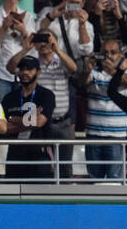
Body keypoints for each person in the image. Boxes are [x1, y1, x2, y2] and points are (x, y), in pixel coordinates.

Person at [8, 29, 78, 175]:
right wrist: (25, 49)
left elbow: (73, 68)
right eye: (40, 40)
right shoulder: (32, 64)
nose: (44, 43)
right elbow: (10, 68)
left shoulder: (62, 61)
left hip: (62, 123)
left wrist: (57, 50)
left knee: (64, 168)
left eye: (47, 39)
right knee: (39, 164)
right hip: (39, 123)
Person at [1, 55, 56, 178]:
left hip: (39, 153)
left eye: (29, 69)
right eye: (21, 69)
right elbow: (3, 127)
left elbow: (39, 122)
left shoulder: (46, 95)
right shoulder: (10, 98)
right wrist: (29, 121)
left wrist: (13, 119)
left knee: (39, 194)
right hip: (15, 154)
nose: (25, 72)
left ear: (38, 72)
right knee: (13, 193)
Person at [83, 37, 127, 179]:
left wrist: (112, 70)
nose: (108, 56)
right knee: (94, 178)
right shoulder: (94, 72)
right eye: (105, 52)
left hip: (117, 136)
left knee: (115, 180)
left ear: (121, 55)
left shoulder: (126, 72)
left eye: (113, 52)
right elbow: (82, 84)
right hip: (94, 134)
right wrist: (87, 70)